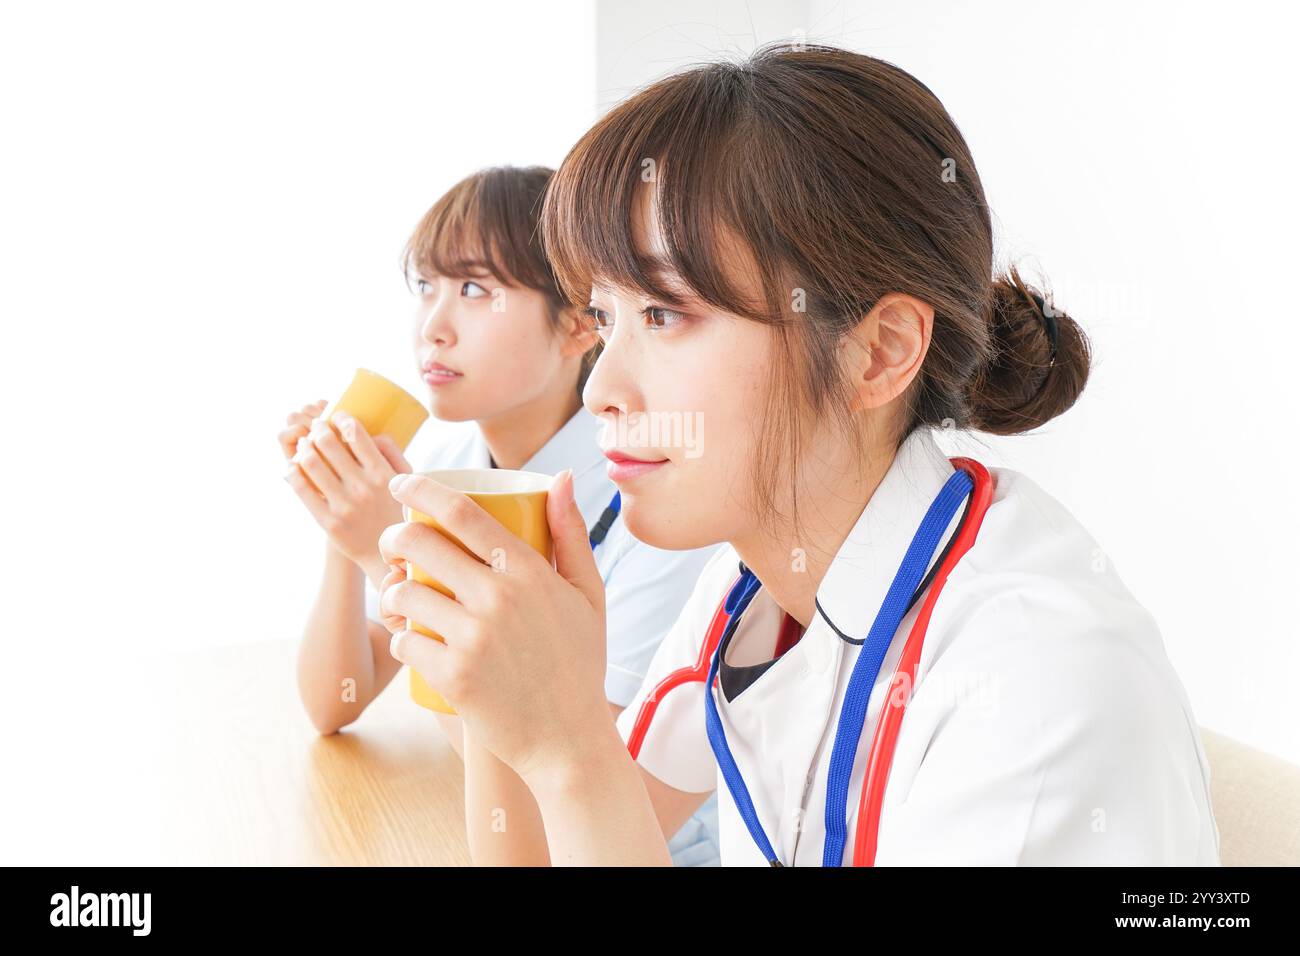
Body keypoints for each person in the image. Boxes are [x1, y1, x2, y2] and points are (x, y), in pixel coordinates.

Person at [376, 46, 1220, 865]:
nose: (602, 388)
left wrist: (569, 749)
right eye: (606, 318)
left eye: (665, 314)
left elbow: (586, 792)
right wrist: (501, 699)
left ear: (879, 352)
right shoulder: (750, 587)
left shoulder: (1038, 683)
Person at [279, 165, 723, 865]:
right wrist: (347, 526)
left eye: (475, 290)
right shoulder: (450, 457)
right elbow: (334, 702)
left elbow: (559, 799)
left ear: (582, 326)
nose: (434, 326)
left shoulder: (655, 506)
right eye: (425, 286)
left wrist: (383, 558)